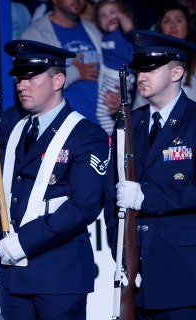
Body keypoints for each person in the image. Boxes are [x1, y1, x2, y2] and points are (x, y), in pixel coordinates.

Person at [0, 39, 109, 319]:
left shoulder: (86, 134)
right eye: (20, 78)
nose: (22, 85)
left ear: (58, 80)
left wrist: (25, 241)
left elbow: (84, 205)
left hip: (59, 276)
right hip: (13, 276)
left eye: (31, 77)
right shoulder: (12, 124)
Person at [105, 29, 196, 319]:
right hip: (137, 270)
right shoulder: (128, 123)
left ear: (176, 72)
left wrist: (148, 198)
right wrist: (119, 251)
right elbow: (111, 196)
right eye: (139, 69)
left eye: (151, 68)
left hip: (183, 272)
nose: (141, 75)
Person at [20, 0, 103, 124]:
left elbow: (109, 68)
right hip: (60, 127)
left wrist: (116, 93)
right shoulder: (34, 35)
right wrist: (76, 72)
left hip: (100, 124)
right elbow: (30, 82)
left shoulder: (92, 29)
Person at [132, 3, 196, 108]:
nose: (172, 25)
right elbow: (140, 107)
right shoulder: (149, 62)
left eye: (178, 20)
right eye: (167, 21)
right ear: (160, 28)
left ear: (188, 27)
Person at [94, 0, 135, 134]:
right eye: (103, 15)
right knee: (104, 110)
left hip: (122, 75)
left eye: (112, 13)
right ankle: (115, 135)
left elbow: (130, 27)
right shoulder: (104, 36)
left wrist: (120, 15)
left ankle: (113, 137)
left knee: (103, 111)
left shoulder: (124, 33)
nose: (109, 17)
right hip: (108, 76)